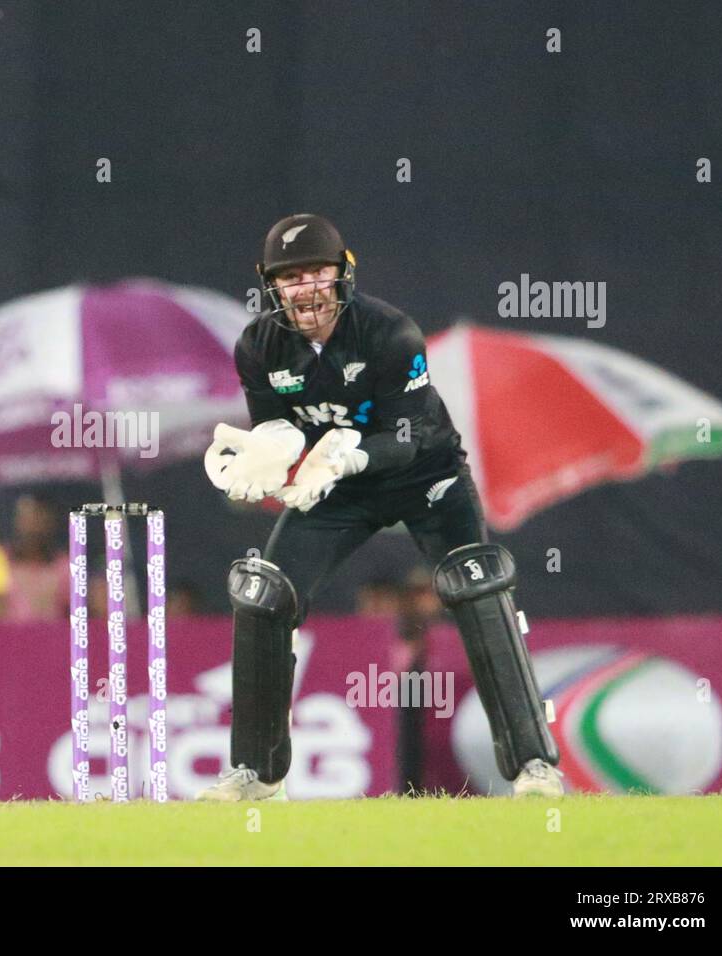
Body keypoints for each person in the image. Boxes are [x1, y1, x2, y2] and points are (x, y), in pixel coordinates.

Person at [198, 213, 561, 800]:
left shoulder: (391, 333)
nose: (306, 289)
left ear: (344, 273)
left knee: (478, 587)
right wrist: (270, 458)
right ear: (271, 285)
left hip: (424, 474)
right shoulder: (258, 345)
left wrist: (345, 458)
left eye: (317, 273)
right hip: (339, 485)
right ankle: (257, 775)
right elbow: (275, 427)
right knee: (266, 596)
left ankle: (534, 766)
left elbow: (407, 437)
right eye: (290, 278)